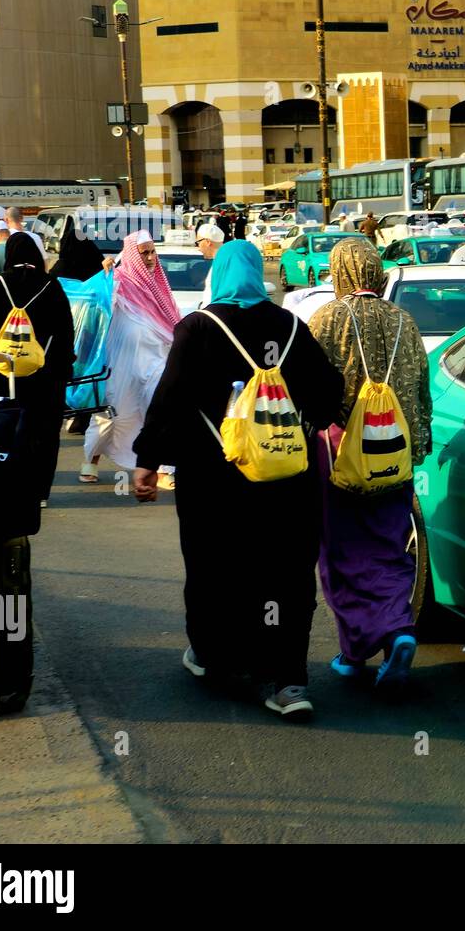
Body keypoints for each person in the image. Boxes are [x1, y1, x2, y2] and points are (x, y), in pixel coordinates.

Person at [133, 241, 343, 719]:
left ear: (218, 275)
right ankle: (289, 682)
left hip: (214, 477)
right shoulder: (292, 326)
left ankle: (215, 655)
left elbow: (169, 401)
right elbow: (329, 396)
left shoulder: (198, 328)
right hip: (287, 477)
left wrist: (147, 460)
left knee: (214, 564)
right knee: (286, 572)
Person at [307, 239, 431, 692]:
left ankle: (354, 650)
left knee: (341, 551)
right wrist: (419, 443)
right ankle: (397, 628)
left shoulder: (326, 318)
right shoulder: (405, 320)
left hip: (340, 456)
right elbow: (421, 389)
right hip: (394, 456)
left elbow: (310, 387)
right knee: (388, 544)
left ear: (340, 273)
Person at [0, 233, 75, 506]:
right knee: (43, 433)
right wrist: (63, 367)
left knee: (1, 429)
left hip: (2, 373)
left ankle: (1, 487)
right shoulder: (51, 286)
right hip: (44, 374)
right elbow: (65, 331)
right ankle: (38, 493)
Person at [80, 231, 181, 483]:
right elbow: (94, 303)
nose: (149, 258)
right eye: (143, 253)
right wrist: (104, 276)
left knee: (159, 411)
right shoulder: (118, 281)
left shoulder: (160, 285)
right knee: (111, 415)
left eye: (152, 251)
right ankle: (90, 460)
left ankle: (163, 468)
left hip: (155, 361)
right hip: (121, 363)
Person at [195, 222, 224, 309]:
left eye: (198, 242)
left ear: (207, 242)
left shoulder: (221, 265)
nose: (198, 248)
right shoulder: (221, 262)